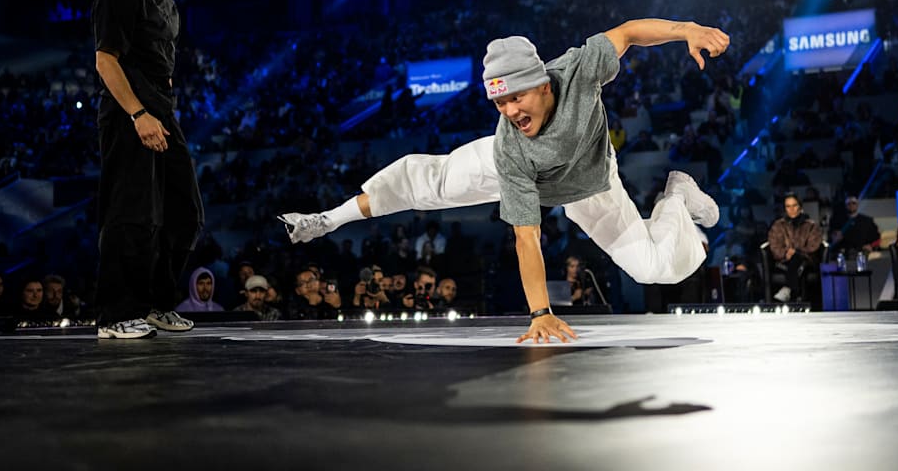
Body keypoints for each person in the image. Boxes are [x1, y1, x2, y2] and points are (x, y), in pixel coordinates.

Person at [280, 20, 728, 343]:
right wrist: (540, 314)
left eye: (516, 97)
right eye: (499, 103)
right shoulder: (510, 146)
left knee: (654, 269)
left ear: (543, 85)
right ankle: (327, 219)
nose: (511, 111)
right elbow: (526, 240)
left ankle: (677, 192)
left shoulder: (577, 71)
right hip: (518, 172)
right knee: (431, 183)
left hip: (591, 182)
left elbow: (628, 33)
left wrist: (686, 29)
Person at [91, 0, 204, 339]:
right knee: (131, 213)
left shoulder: (166, 0)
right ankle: (116, 314)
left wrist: (162, 101)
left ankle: (155, 304)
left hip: (162, 110)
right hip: (128, 114)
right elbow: (106, 61)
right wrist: (139, 114)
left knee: (184, 212)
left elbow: (158, 60)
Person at [766, 193, 822, 303]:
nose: (791, 209)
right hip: (784, 261)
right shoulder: (778, 225)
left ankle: (788, 288)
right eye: (788, 206)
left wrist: (796, 252)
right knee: (796, 261)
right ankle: (796, 294)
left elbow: (814, 245)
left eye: (794, 205)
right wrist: (786, 252)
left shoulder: (811, 225)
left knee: (798, 258)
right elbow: (774, 245)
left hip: (806, 260)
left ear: (800, 206)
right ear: (784, 208)